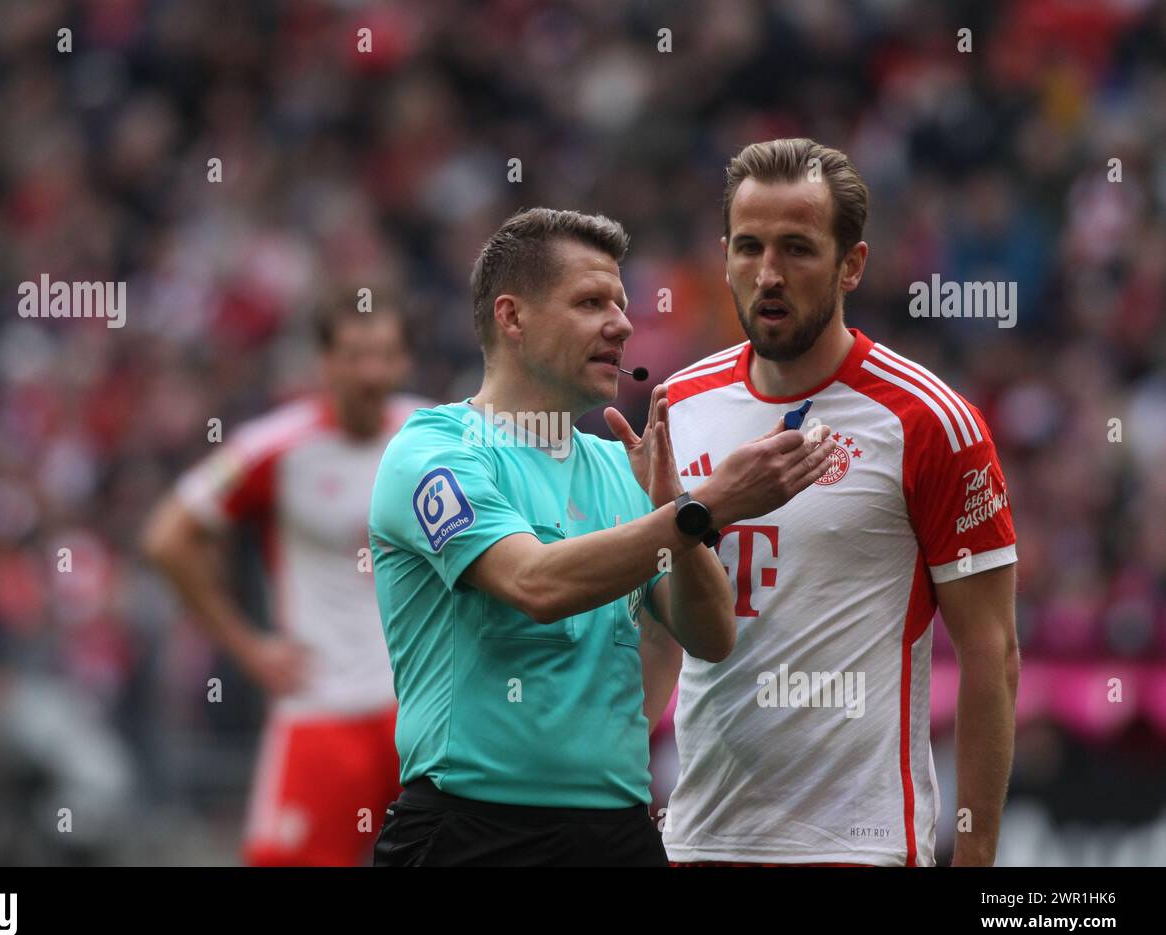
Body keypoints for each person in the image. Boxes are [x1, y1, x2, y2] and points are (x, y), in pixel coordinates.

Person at [367, 208, 836, 866]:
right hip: (470, 832)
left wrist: (679, 509)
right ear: (512, 317)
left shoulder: (625, 470)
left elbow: (708, 635)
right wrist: (704, 508)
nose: (622, 323)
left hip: (616, 833)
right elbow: (535, 583)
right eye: (591, 302)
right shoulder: (433, 453)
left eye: (621, 304)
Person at [659, 138, 1020, 867]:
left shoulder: (929, 420)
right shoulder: (678, 406)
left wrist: (976, 862)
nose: (768, 275)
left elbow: (991, 655)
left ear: (851, 264)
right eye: (750, 247)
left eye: (797, 248)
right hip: (698, 838)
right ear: (724, 254)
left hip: (860, 845)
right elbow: (656, 628)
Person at [142, 302, 421, 866]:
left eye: (385, 357)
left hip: (420, 709)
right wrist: (248, 647)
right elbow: (167, 538)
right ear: (325, 364)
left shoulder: (434, 436)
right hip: (321, 706)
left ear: (404, 361)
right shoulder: (277, 446)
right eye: (355, 357)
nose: (371, 373)